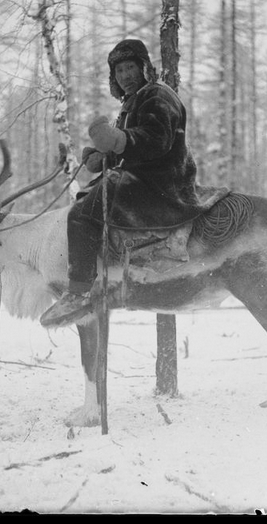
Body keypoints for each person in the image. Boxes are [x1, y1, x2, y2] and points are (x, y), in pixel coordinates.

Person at [40, 38, 206, 328]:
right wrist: (103, 156)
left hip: (162, 184)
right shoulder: (135, 101)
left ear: (144, 67)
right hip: (147, 179)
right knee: (88, 194)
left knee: (81, 214)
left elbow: (156, 142)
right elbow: (130, 150)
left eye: (130, 67)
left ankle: (78, 292)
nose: (125, 75)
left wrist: (119, 140)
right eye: (119, 71)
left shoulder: (157, 96)